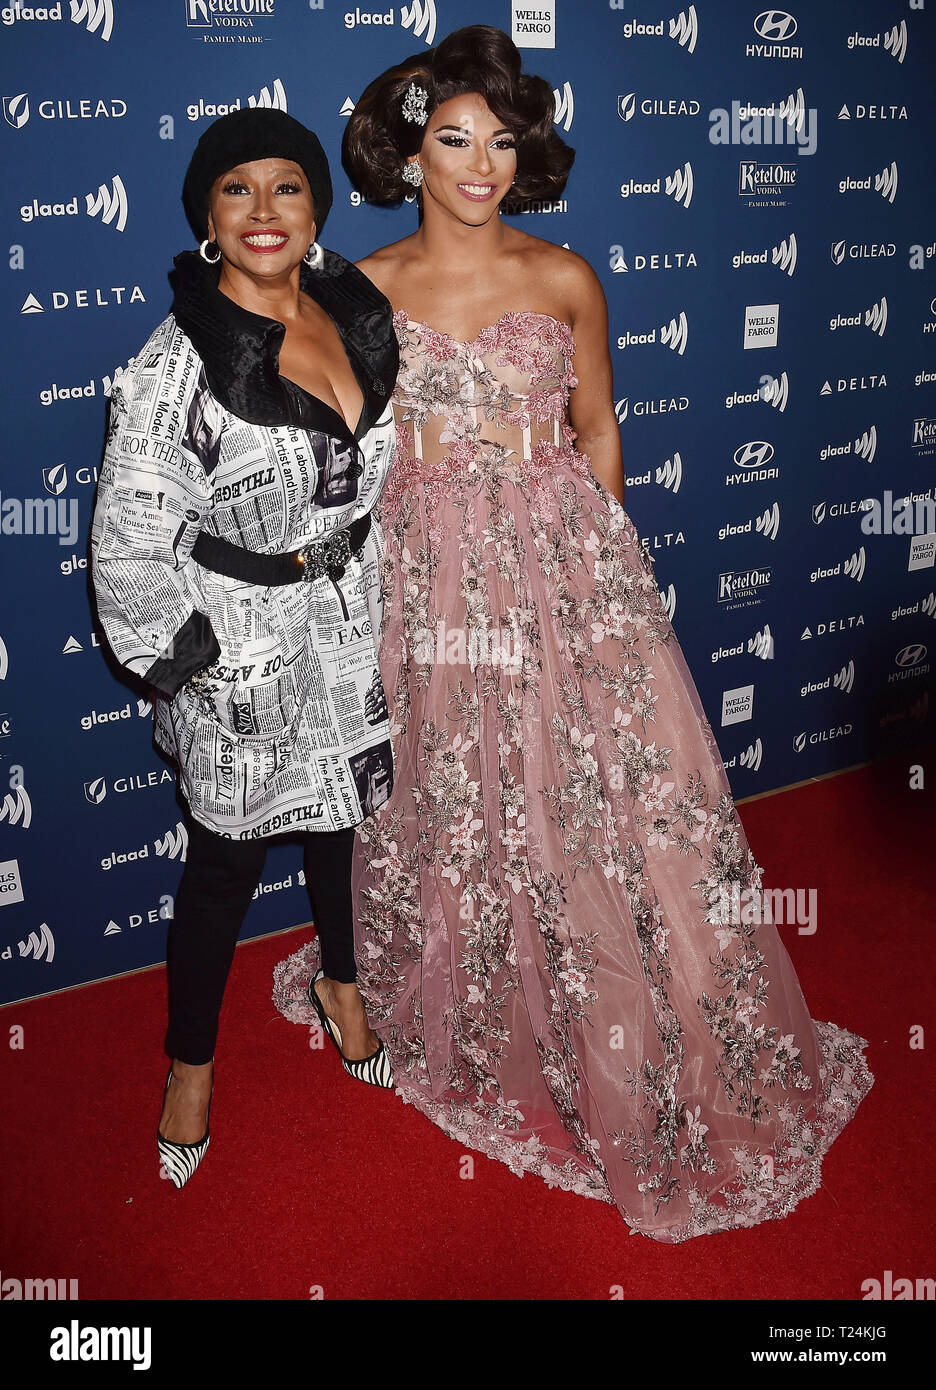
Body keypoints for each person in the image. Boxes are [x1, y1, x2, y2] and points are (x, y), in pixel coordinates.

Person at [273, 26, 873, 1242]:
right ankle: (483, 992)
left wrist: (596, 552)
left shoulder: (565, 276)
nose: (481, 163)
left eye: (502, 141)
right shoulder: (364, 289)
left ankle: (649, 1026)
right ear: (408, 149)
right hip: (430, 575)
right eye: (454, 139)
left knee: (610, 805)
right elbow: (333, 444)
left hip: (562, 568)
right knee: (455, 794)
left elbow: (599, 427)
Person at [91, 108, 398, 1189]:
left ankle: (343, 989)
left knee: (339, 825)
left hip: (348, 624)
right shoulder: (177, 362)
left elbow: (371, 471)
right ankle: (189, 1066)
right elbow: (130, 539)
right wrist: (193, 666)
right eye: (237, 189)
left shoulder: (355, 311)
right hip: (244, 646)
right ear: (206, 215)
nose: (265, 209)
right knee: (222, 865)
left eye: (287, 186)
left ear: (317, 207)